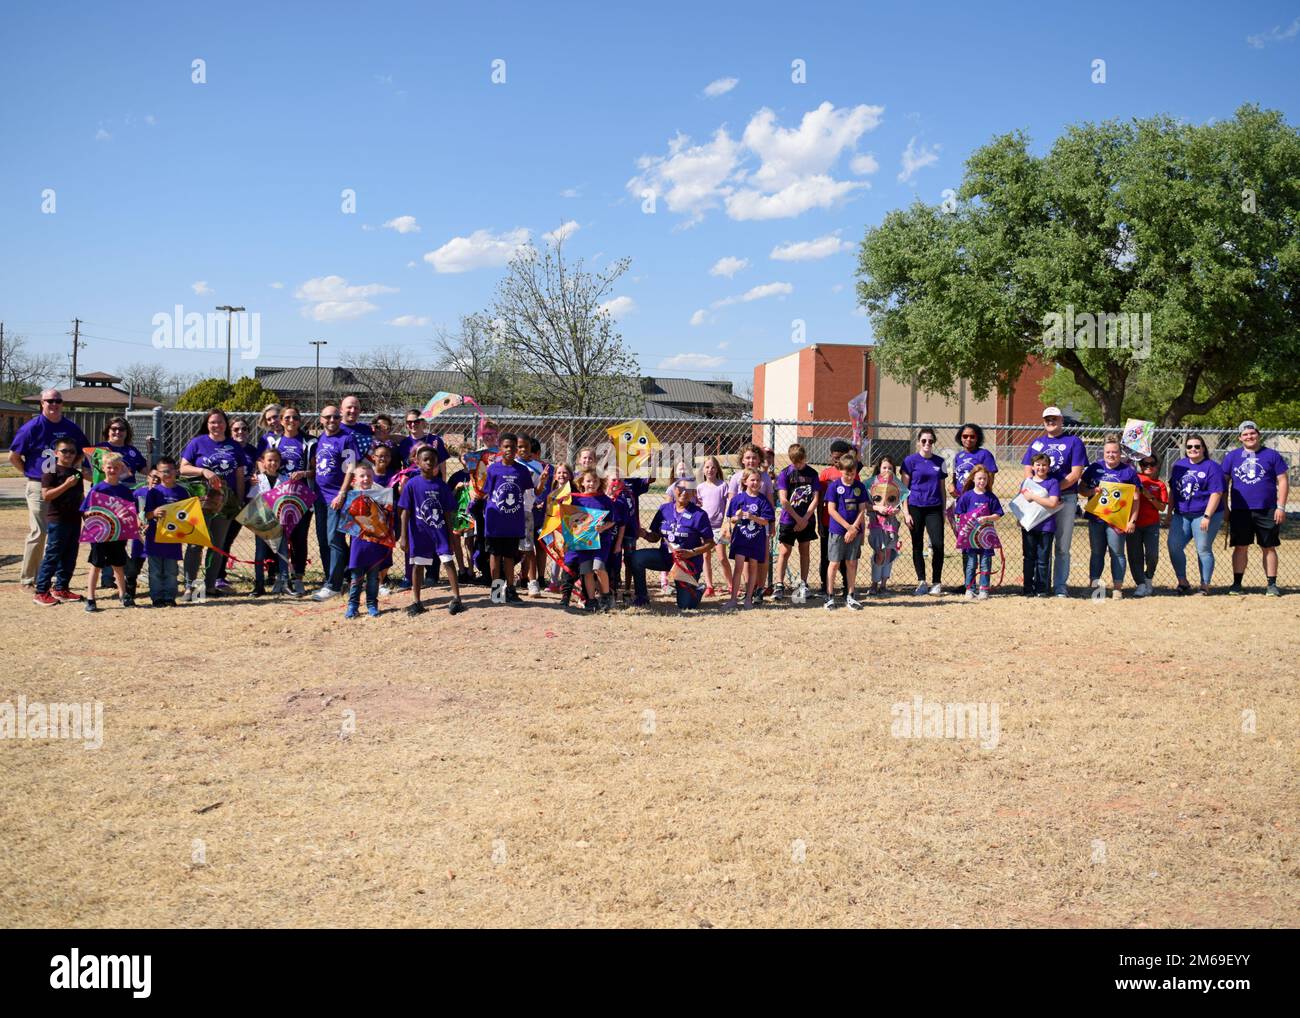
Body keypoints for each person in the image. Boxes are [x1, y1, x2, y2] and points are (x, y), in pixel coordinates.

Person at [9, 388, 91, 588]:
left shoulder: (71, 427)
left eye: (58, 401)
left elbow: (84, 450)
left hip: (67, 485)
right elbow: (14, 456)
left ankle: (53, 578)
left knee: (62, 532)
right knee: (40, 531)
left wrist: (72, 467)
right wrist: (32, 474)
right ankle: (29, 578)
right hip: (40, 485)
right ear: (42, 404)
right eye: (49, 401)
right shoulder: (31, 427)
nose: (54, 404)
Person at [179, 408, 246, 599]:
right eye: (212, 422)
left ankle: (210, 585)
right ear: (207, 424)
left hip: (225, 504)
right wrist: (203, 472)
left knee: (217, 545)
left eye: (220, 422)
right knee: (195, 544)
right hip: (202, 502)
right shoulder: (197, 443)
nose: (217, 425)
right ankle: (190, 586)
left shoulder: (234, 446)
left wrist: (239, 501)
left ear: (226, 424)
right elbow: (183, 468)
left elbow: (240, 476)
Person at [1021, 407, 1088, 597]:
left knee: (1061, 546)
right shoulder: (1037, 443)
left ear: (1061, 420)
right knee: (1041, 544)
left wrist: (1055, 490)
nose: (1051, 422)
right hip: (1040, 500)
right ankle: (1040, 586)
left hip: (1065, 499)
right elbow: (1028, 469)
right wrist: (1038, 490)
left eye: (1054, 418)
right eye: (1047, 419)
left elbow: (1075, 473)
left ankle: (1060, 586)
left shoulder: (1073, 442)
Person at [1221, 421, 1288, 597]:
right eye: (1245, 434)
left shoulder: (1272, 455)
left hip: (1267, 509)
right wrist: (1225, 507)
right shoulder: (1232, 456)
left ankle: (1272, 585)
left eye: (1252, 433)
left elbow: (1282, 481)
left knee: (1269, 546)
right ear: (1240, 438)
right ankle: (1236, 584)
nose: (1249, 437)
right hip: (1240, 510)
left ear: (1258, 435)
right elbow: (1224, 482)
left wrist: (1280, 506)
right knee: (1241, 546)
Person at [398, 445, 465, 616]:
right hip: (420, 534)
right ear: (417, 462)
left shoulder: (441, 486)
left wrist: (451, 536)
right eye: (425, 459)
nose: (429, 463)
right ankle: (417, 601)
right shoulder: (412, 484)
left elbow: (448, 513)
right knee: (418, 565)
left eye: (432, 460)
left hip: (440, 533)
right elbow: (405, 511)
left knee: (448, 562)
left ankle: (457, 598)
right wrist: (404, 536)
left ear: (437, 463)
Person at [629, 479, 715, 610]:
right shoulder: (664, 509)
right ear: (674, 490)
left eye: (688, 489)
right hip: (665, 558)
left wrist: (692, 552)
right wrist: (645, 534)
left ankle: (697, 590)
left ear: (693, 492)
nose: (684, 492)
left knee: (685, 605)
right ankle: (642, 596)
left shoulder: (699, 514)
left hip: (686, 563)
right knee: (636, 557)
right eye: (681, 488)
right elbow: (656, 537)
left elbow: (710, 543)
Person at [94, 416, 149, 598]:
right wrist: (101, 487)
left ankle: (120, 575)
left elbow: (144, 470)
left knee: (121, 535)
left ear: (127, 432)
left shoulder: (131, 451)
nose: (117, 432)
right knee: (106, 534)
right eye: (114, 429)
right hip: (106, 497)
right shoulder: (99, 449)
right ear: (108, 430)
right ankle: (107, 577)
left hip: (127, 496)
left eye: (121, 429)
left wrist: (150, 453)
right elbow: (88, 471)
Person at [310, 406, 360, 600]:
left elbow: (350, 468)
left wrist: (341, 493)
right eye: (328, 417)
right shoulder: (320, 439)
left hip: (335, 498)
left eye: (335, 416)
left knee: (335, 540)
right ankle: (339, 577)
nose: (332, 420)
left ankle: (334, 585)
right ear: (321, 419)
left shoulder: (346, 439)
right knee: (323, 540)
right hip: (319, 498)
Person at [1080, 436, 1139, 599]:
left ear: (1120, 454)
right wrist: (1092, 492)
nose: (1111, 455)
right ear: (1103, 452)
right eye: (1108, 452)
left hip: (1117, 521)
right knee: (1097, 552)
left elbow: (1136, 499)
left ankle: (1117, 588)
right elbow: (1081, 488)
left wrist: (1132, 520)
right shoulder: (1094, 468)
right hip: (1096, 518)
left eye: (1114, 452)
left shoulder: (1128, 471)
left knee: (1117, 553)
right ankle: (1094, 587)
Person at [480, 433, 534, 605]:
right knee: (495, 555)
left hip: (513, 521)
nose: (510, 450)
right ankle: (496, 591)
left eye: (513, 447)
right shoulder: (493, 469)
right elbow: (486, 492)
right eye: (506, 446)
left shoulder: (522, 470)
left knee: (510, 556)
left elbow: (529, 492)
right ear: (500, 449)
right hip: (495, 521)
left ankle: (510, 590)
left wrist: (541, 486)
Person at [1167, 435, 1224, 596]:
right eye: (1190, 446)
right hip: (1182, 513)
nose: (1193, 449)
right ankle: (1183, 582)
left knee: (1203, 548)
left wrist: (1207, 516)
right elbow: (1173, 490)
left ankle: (1204, 585)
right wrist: (1169, 513)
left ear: (1203, 448)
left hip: (1204, 514)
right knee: (1174, 546)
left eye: (1197, 447)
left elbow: (1217, 493)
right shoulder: (1179, 465)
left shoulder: (1211, 467)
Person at [32, 438, 86, 606]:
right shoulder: (51, 472)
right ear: (56, 453)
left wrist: (86, 516)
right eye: (64, 451)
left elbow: (80, 497)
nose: (68, 454)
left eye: (72, 451)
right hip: (58, 520)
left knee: (70, 556)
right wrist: (66, 486)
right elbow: (46, 495)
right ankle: (41, 591)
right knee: (53, 555)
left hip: (74, 520)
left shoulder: (77, 473)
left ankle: (61, 588)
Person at [267, 407, 313, 596]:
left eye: (295, 417)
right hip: (279, 496)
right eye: (287, 417)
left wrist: (303, 473)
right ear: (281, 420)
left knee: (299, 539)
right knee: (277, 538)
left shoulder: (309, 442)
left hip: (301, 497)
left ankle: (299, 578)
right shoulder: (273, 440)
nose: (291, 420)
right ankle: (279, 576)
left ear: (300, 420)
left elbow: (316, 470)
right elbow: (265, 463)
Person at [82, 452, 135, 611]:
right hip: (100, 534)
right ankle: (91, 598)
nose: (113, 470)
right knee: (96, 565)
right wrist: (97, 520)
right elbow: (86, 511)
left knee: (118, 565)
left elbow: (130, 513)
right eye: (109, 467)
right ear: (103, 468)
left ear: (121, 469)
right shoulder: (98, 489)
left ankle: (123, 594)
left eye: (116, 467)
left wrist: (126, 516)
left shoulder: (124, 491)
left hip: (117, 534)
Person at [215, 416, 259, 593]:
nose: (241, 432)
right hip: (230, 501)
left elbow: (262, 468)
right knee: (224, 539)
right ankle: (218, 576)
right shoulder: (226, 449)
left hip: (251, 500)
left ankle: (270, 575)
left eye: (244, 429)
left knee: (265, 536)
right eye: (236, 429)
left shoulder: (253, 451)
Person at [901, 427, 948, 596]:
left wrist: (943, 509)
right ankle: (921, 581)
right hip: (915, 507)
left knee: (938, 544)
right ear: (919, 442)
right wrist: (906, 513)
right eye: (924, 441)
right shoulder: (910, 461)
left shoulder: (940, 462)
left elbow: (942, 489)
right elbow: (903, 490)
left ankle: (936, 582)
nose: (927, 443)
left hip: (934, 508)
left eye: (930, 441)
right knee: (917, 544)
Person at [566, 467, 619, 612]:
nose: (592, 483)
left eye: (595, 481)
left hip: (601, 541)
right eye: (588, 481)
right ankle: (591, 600)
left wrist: (604, 527)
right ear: (582, 482)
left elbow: (613, 520)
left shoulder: (605, 500)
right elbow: (568, 516)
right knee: (586, 570)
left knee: (598, 567)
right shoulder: (576, 499)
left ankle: (606, 597)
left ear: (600, 482)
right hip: (583, 540)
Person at [342, 460, 389, 619]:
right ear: (355, 478)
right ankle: (353, 605)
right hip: (358, 543)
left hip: (375, 542)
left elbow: (387, 518)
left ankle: (371, 604)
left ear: (373, 476)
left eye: (369, 475)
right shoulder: (351, 495)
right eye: (362, 476)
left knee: (373, 576)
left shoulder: (381, 494)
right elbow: (348, 521)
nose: (365, 479)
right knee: (356, 576)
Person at [724, 468, 775, 610]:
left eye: (758, 480)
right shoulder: (738, 499)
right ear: (745, 481)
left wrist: (752, 517)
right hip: (741, 538)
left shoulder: (762, 500)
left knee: (753, 567)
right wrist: (737, 517)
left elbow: (766, 521)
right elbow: (731, 519)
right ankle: (733, 599)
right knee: (739, 567)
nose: (755, 482)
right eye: (752, 480)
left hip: (756, 540)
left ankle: (748, 599)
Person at [774, 444, 819, 601]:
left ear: (805, 458)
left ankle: (804, 584)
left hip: (807, 519)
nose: (798, 465)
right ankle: (779, 584)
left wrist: (805, 518)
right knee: (784, 551)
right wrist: (797, 519)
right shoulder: (785, 473)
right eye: (795, 462)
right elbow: (783, 499)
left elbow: (816, 498)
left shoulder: (812, 473)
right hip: (789, 519)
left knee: (804, 551)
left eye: (800, 462)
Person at [141, 456, 188, 607]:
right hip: (154, 537)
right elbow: (146, 515)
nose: (167, 474)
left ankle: (169, 596)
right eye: (163, 471)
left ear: (176, 471)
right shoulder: (153, 493)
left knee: (171, 570)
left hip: (173, 538)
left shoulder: (181, 492)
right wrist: (154, 513)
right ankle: (156, 597)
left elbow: (187, 515)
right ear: (158, 474)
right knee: (155, 570)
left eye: (170, 470)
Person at [823, 452, 867, 611]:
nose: (850, 476)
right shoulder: (834, 486)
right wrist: (847, 527)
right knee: (834, 563)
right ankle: (829, 596)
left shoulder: (859, 487)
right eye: (847, 473)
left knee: (851, 562)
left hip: (854, 532)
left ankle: (851, 595)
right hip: (837, 531)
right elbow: (831, 510)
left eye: (853, 473)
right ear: (840, 470)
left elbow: (862, 510)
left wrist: (854, 528)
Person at [953, 464, 1003, 601]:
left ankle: (984, 589)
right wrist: (968, 520)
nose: (982, 481)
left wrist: (987, 518)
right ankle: (970, 588)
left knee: (985, 562)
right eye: (979, 478)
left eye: (985, 479)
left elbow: (998, 514)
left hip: (985, 537)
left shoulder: (991, 497)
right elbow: (959, 514)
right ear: (973, 479)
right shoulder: (966, 497)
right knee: (971, 563)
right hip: (970, 538)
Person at [249, 446, 291, 596]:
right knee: (260, 554)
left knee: (282, 552)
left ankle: (285, 583)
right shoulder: (257, 480)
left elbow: (289, 502)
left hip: (280, 522)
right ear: (263, 462)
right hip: (262, 521)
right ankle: (259, 585)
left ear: (280, 463)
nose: (273, 463)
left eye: (276, 460)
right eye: (270, 460)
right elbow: (252, 500)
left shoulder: (286, 479)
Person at [1019, 453, 1062, 597]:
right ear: (1032, 467)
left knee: (1043, 559)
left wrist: (1034, 497)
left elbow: (1052, 503)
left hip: (1046, 526)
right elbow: (1021, 503)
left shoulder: (1052, 482)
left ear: (1048, 467)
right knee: (1029, 558)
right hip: (1029, 525)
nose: (1041, 467)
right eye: (1038, 464)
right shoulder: (1027, 482)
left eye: (1044, 465)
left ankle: (1042, 588)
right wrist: (1019, 519)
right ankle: (1027, 588)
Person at [1127, 455, 1169, 598]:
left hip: (1151, 524)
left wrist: (1149, 495)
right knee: (1134, 555)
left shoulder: (1160, 485)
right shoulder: (1134, 478)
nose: (1148, 467)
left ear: (1157, 466)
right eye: (1144, 464)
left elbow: (1162, 507)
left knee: (1152, 555)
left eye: (1152, 464)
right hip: (1133, 523)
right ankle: (1140, 584)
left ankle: (1148, 577)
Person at [818, 439, 854, 599]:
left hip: (846, 526)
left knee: (846, 558)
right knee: (826, 556)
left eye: (840, 457)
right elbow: (820, 502)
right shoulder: (825, 474)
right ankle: (825, 587)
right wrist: (819, 522)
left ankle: (848, 587)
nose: (837, 460)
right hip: (828, 522)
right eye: (834, 457)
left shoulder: (852, 474)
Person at [866, 455, 905, 597]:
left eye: (890, 468)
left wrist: (896, 510)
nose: (887, 470)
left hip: (891, 525)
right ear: (879, 469)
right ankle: (874, 584)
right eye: (884, 467)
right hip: (877, 524)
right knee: (879, 553)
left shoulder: (897, 485)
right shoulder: (871, 484)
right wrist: (877, 509)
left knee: (889, 554)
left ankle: (883, 585)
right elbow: (865, 505)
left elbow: (900, 503)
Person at [695, 456, 731, 597]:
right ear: (703, 470)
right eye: (707, 467)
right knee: (706, 557)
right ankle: (709, 586)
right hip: (705, 528)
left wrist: (726, 523)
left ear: (717, 470)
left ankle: (730, 585)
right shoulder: (700, 488)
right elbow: (698, 506)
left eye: (713, 467)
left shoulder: (723, 486)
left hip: (719, 527)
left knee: (722, 557)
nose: (710, 470)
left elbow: (728, 504)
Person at [951, 423, 998, 497]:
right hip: (961, 498)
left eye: (972, 437)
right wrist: (952, 486)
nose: (968, 439)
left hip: (977, 498)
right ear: (960, 438)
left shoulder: (984, 454)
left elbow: (990, 480)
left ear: (977, 438)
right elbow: (955, 478)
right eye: (965, 436)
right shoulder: (958, 456)